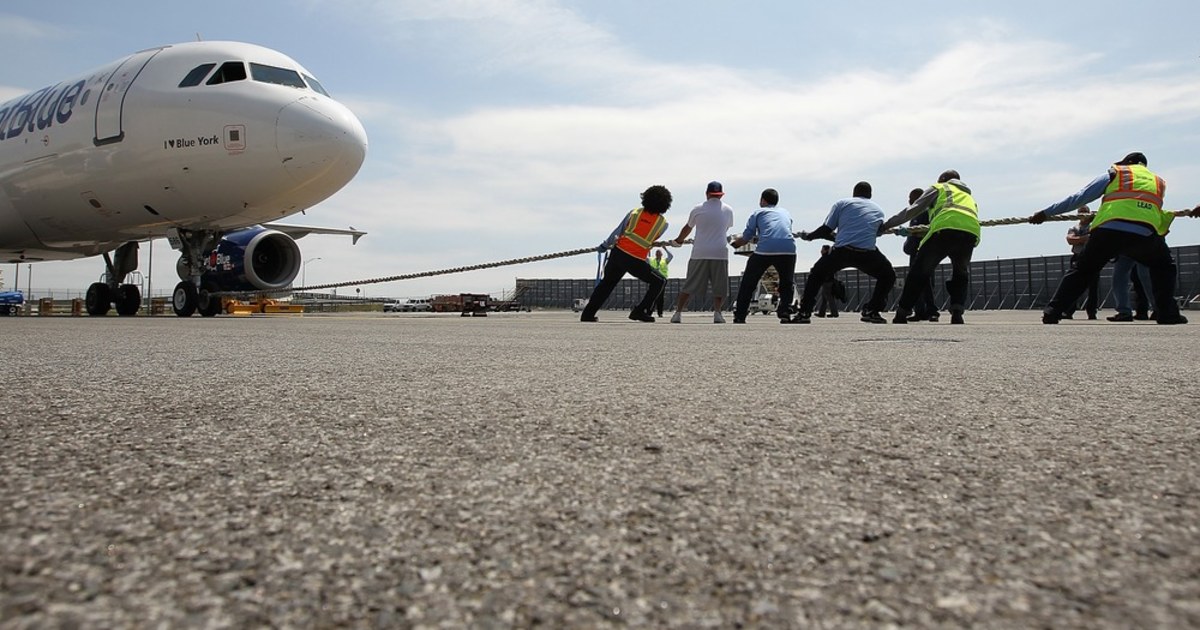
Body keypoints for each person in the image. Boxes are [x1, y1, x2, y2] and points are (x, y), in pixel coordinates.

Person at [1031, 152, 1188, 325]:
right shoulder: (1158, 182)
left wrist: (1047, 212)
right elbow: (1153, 211)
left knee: (1084, 270)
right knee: (1164, 266)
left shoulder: (1117, 172)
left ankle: (1053, 312)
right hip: (1143, 233)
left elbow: (1080, 197)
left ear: (1127, 162)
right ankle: (1167, 314)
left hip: (1108, 230)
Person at [881, 169, 980, 325]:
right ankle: (957, 313)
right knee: (960, 273)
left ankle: (902, 312)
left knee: (919, 271)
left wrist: (886, 225)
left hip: (944, 229)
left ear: (942, 179)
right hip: (970, 233)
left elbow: (912, 210)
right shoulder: (968, 197)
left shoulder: (940, 188)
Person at [792, 181, 895, 324]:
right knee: (888, 276)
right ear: (870, 195)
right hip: (867, 253)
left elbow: (826, 230)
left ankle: (804, 312)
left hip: (842, 252)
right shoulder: (878, 210)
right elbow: (871, 232)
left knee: (816, 275)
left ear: (854, 193)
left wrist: (809, 236)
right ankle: (872, 310)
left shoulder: (842, 203)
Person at [580, 185, 672, 323]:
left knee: (606, 284)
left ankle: (587, 314)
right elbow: (651, 239)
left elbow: (618, 231)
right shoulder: (662, 224)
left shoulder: (634, 213)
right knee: (660, 281)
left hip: (618, 254)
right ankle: (640, 311)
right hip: (635, 259)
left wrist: (604, 246)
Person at [667, 181, 735, 324]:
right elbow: (726, 228)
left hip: (700, 251)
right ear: (721, 195)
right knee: (720, 287)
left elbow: (688, 228)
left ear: (707, 193)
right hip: (719, 252)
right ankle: (717, 313)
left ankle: (678, 313)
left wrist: (678, 241)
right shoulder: (728, 210)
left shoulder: (697, 209)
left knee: (690, 285)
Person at [730, 188, 796, 324]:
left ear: (763, 200)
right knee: (786, 282)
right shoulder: (785, 213)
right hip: (788, 249)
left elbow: (747, 236)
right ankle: (785, 312)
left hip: (765, 251)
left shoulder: (758, 213)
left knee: (749, 282)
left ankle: (740, 315)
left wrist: (735, 244)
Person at [902, 187, 940, 322]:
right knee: (919, 281)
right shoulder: (918, 213)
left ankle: (931, 310)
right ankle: (920, 311)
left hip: (923, 250)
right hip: (918, 251)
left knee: (924, 282)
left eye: (911, 198)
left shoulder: (923, 212)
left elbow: (922, 231)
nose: (909, 201)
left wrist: (909, 234)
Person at [1062, 205, 1099, 320]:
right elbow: (1070, 239)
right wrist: (1084, 238)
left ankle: (1091, 311)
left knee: (1093, 287)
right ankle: (1069, 311)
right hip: (1077, 257)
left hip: (1092, 257)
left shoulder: (1094, 225)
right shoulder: (1074, 227)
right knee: (1073, 285)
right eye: (1080, 212)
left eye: (1085, 212)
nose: (1082, 214)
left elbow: (1093, 238)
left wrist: (1078, 239)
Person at [1106, 255, 1153, 321]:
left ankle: (1124, 311)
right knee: (1119, 278)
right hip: (1128, 250)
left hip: (1135, 249)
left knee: (1146, 278)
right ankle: (1124, 311)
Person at [814, 245, 839, 318]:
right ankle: (822, 313)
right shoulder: (830, 258)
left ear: (826, 250)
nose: (821, 251)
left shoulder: (825, 258)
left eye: (822, 249)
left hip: (827, 281)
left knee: (829, 297)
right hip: (827, 280)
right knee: (824, 297)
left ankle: (834, 313)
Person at [649, 248, 674, 317]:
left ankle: (660, 312)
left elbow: (671, 256)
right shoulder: (652, 260)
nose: (658, 254)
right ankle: (649, 312)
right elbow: (645, 258)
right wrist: (649, 248)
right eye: (657, 253)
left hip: (662, 280)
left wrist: (665, 248)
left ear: (662, 254)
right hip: (654, 279)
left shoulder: (665, 261)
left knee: (660, 297)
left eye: (659, 253)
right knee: (652, 296)